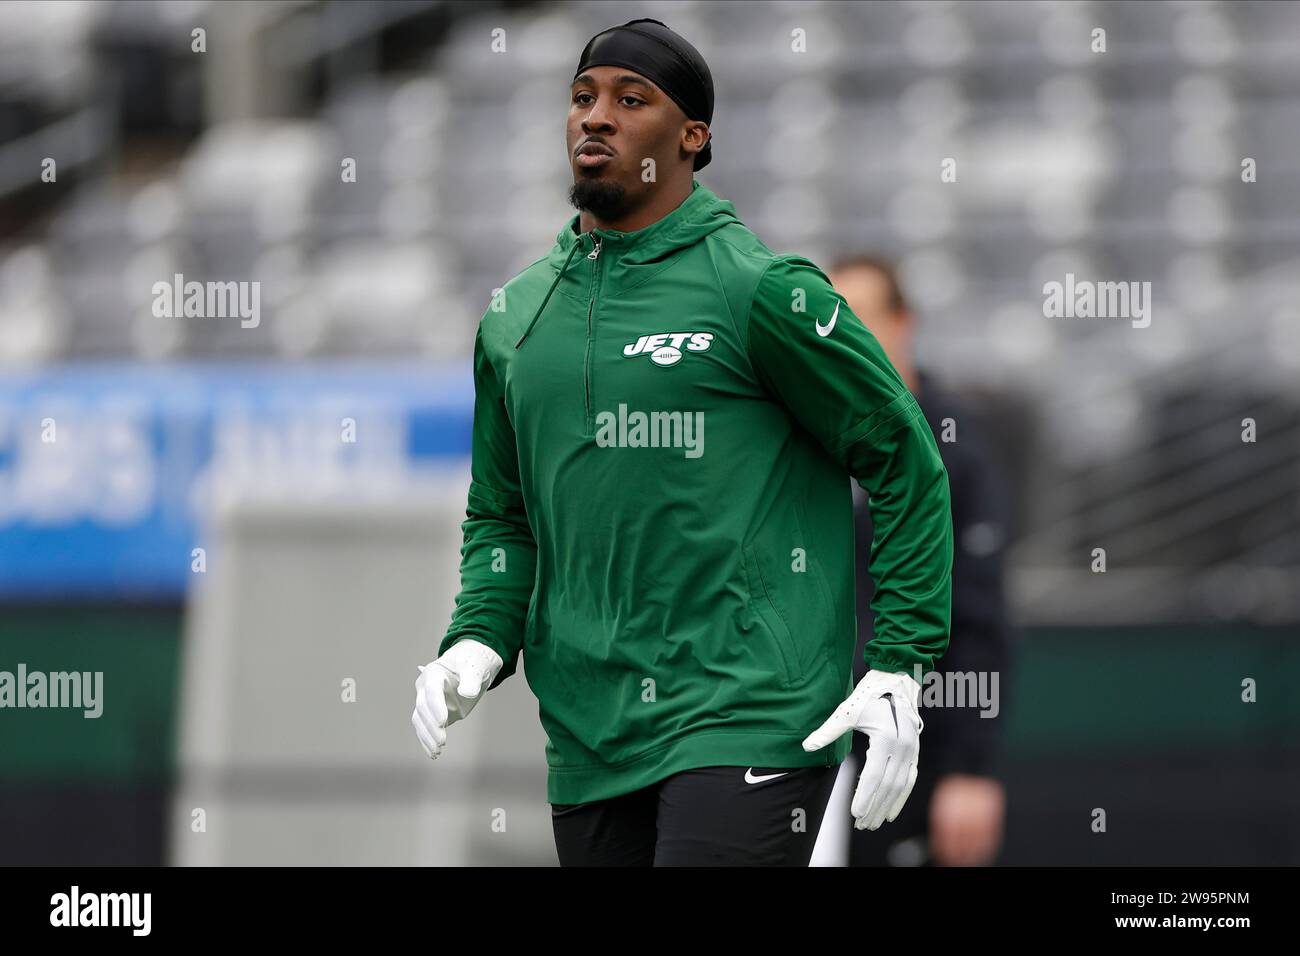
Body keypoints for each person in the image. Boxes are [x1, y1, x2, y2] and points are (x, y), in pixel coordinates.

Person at [411, 18, 954, 866]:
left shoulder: (761, 290)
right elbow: (503, 513)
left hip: (748, 712)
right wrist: (478, 636)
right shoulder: (514, 318)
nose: (597, 117)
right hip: (589, 733)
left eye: (632, 99)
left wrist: (899, 663)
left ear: (692, 138)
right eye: (583, 97)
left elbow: (907, 459)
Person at [823, 256, 1014, 867]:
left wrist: (969, 768)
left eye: (861, 317)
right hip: (813, 746)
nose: (843, 334)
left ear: (903, 322)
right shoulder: (807, 437)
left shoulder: (952, 447)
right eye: (831, 319)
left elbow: (979, 615)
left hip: (911, 745)